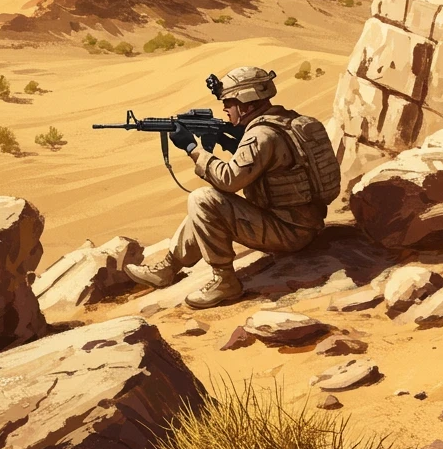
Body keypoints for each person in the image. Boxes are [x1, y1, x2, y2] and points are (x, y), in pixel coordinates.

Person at [124, 66, 338, 309]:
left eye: (229, 102)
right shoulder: (294, 121)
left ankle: (225, 282)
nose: (224, 109)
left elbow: (228, 181)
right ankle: (169, 267)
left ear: (245, 103)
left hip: (288, 232)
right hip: (306, 222)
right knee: (208, 204)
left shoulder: (261, 135)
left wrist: (192, 149)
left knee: (203, 199)